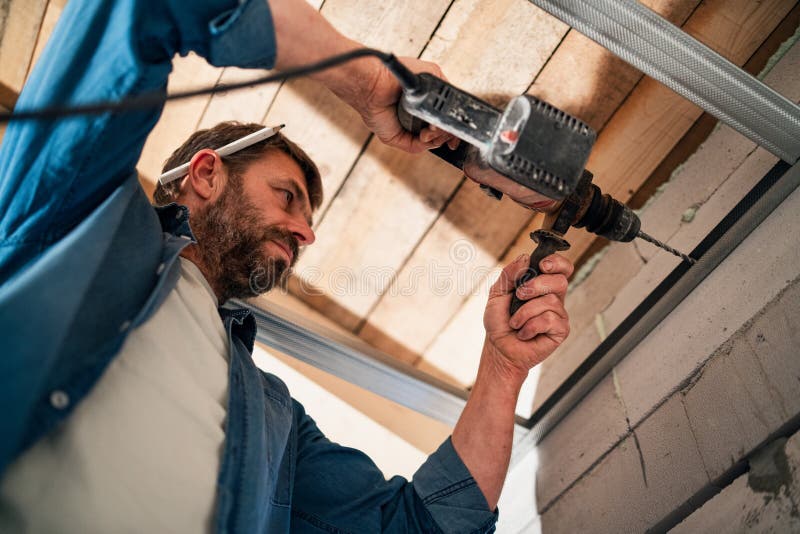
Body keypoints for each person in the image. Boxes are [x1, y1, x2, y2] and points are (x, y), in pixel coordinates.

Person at [0, 0, 572, 532]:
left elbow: (419, 525)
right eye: (287, 196)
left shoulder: (271, 412)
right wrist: (368, 78)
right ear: (205, 175)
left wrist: (501, 369)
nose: (307, 232)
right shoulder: (85, 213)